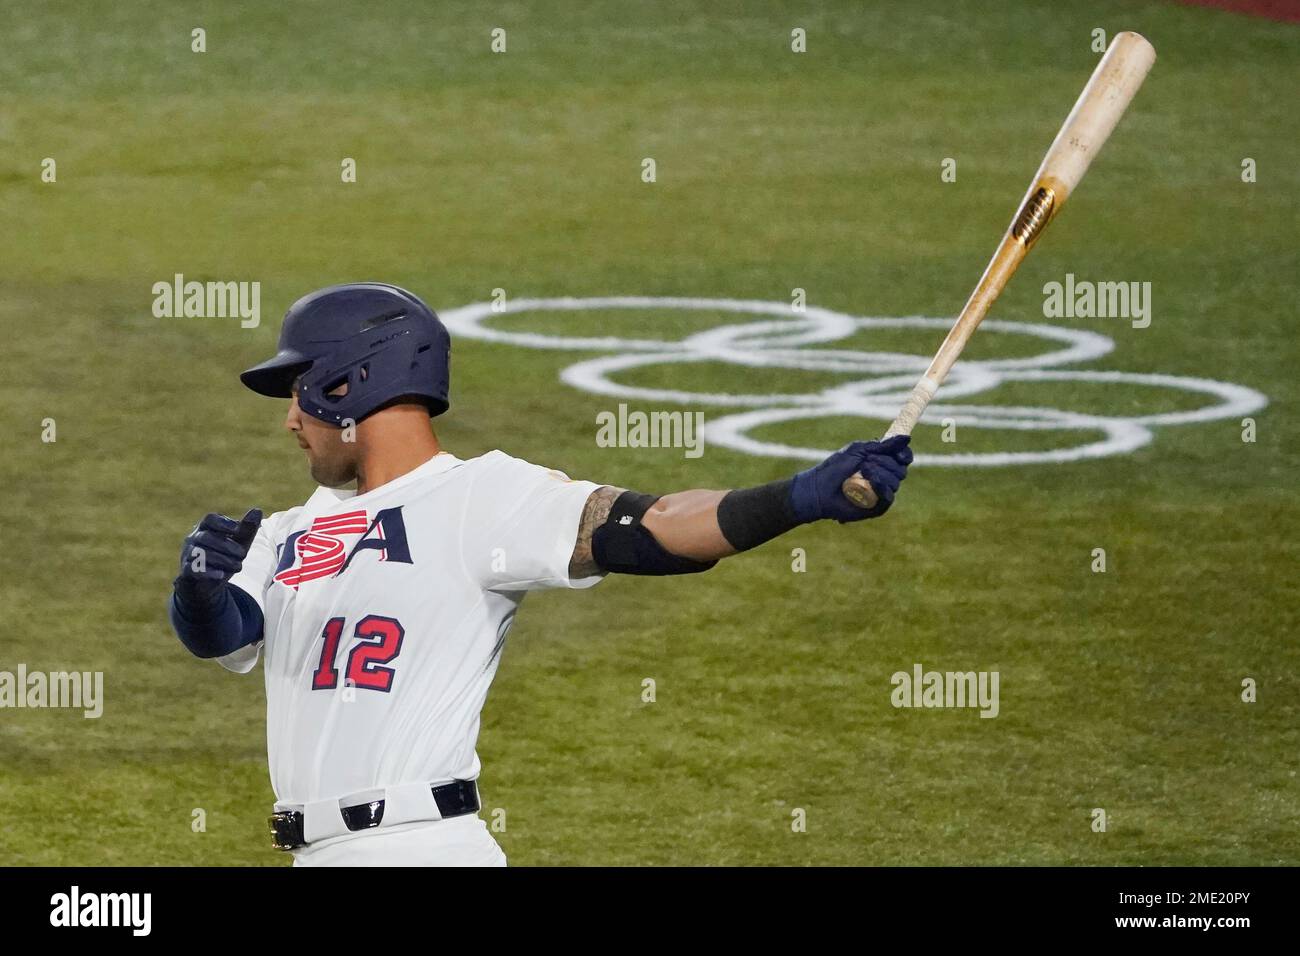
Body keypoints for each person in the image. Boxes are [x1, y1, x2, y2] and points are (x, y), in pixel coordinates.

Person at [168, 282, 912, 865]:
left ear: (348, 384)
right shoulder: (284, 530)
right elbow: (224, 637)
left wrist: (800, 496)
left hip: (421, 852)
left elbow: (651, 528)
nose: (290, 419)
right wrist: (197, 591)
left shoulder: (479, 498)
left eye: (298, 390)